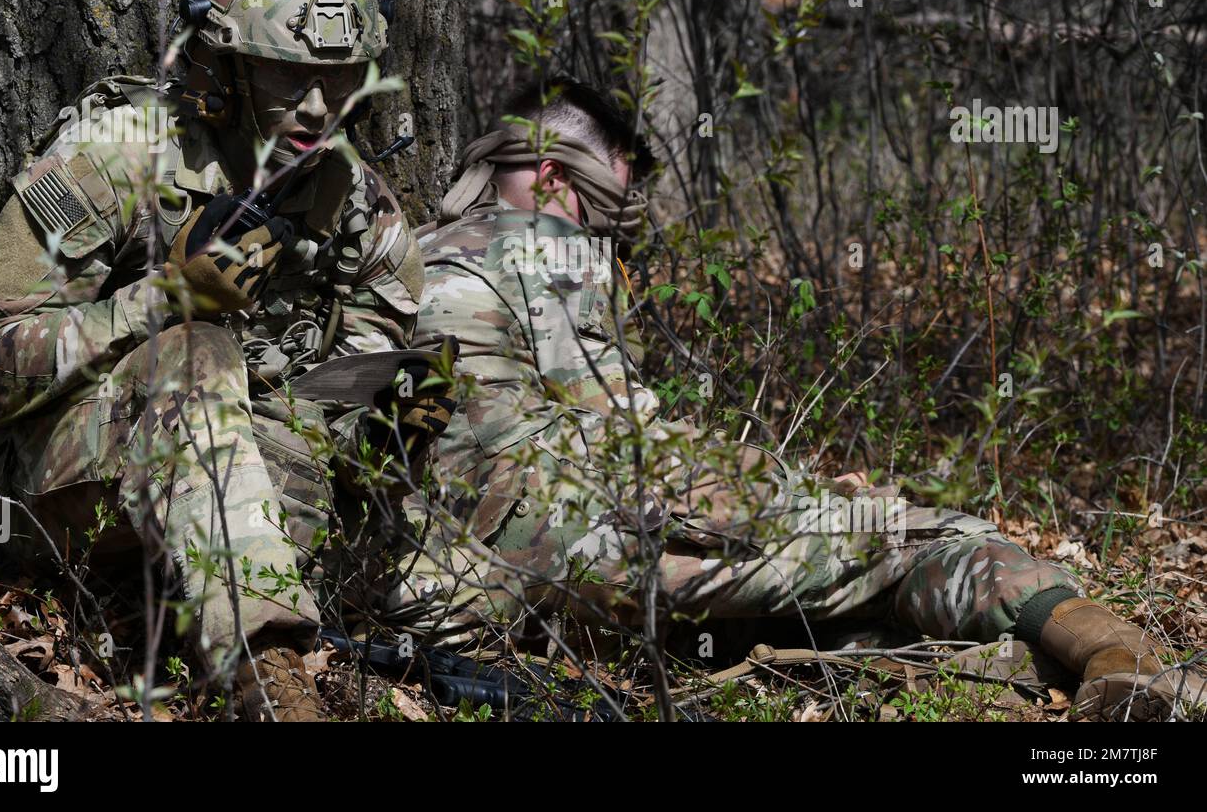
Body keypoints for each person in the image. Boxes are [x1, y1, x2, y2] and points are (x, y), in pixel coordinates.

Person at [403, 77, 1203, 721]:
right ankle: (1119, 657)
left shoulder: (410, 254)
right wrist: (791, 494)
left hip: (458, 578)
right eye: (607, 209)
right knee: (914, 535)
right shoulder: (542, 238)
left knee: (808, 615)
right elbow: (630, 440)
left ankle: (1025, 668)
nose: (609, 238)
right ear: (549, 177)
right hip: (567, 541)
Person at [0, 0, 449, 721]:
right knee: (199, 348)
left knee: (448, 567)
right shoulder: (117, 156)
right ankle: (271, 678)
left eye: (341, 78)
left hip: (231, 487)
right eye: (292, 73)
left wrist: (387, 427)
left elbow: (342, 392)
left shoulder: (352, 199)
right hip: (42, 489)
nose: (321, 107)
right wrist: (163, 299)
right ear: (225, 65)